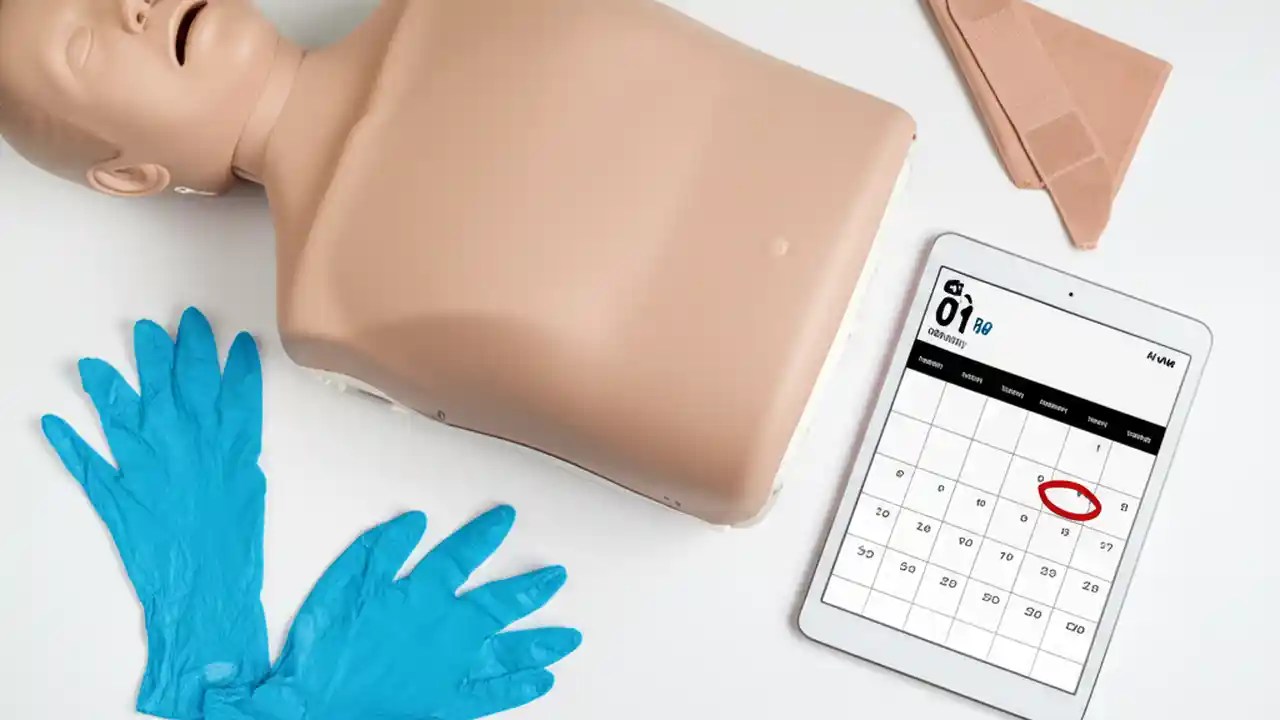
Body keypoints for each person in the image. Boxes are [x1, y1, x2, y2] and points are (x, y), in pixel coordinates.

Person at [0, 0, 914, 524]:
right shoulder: (325, 306)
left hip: (850, 166)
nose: (133, 9)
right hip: (770, 419)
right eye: (87, 42)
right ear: (130, 176)